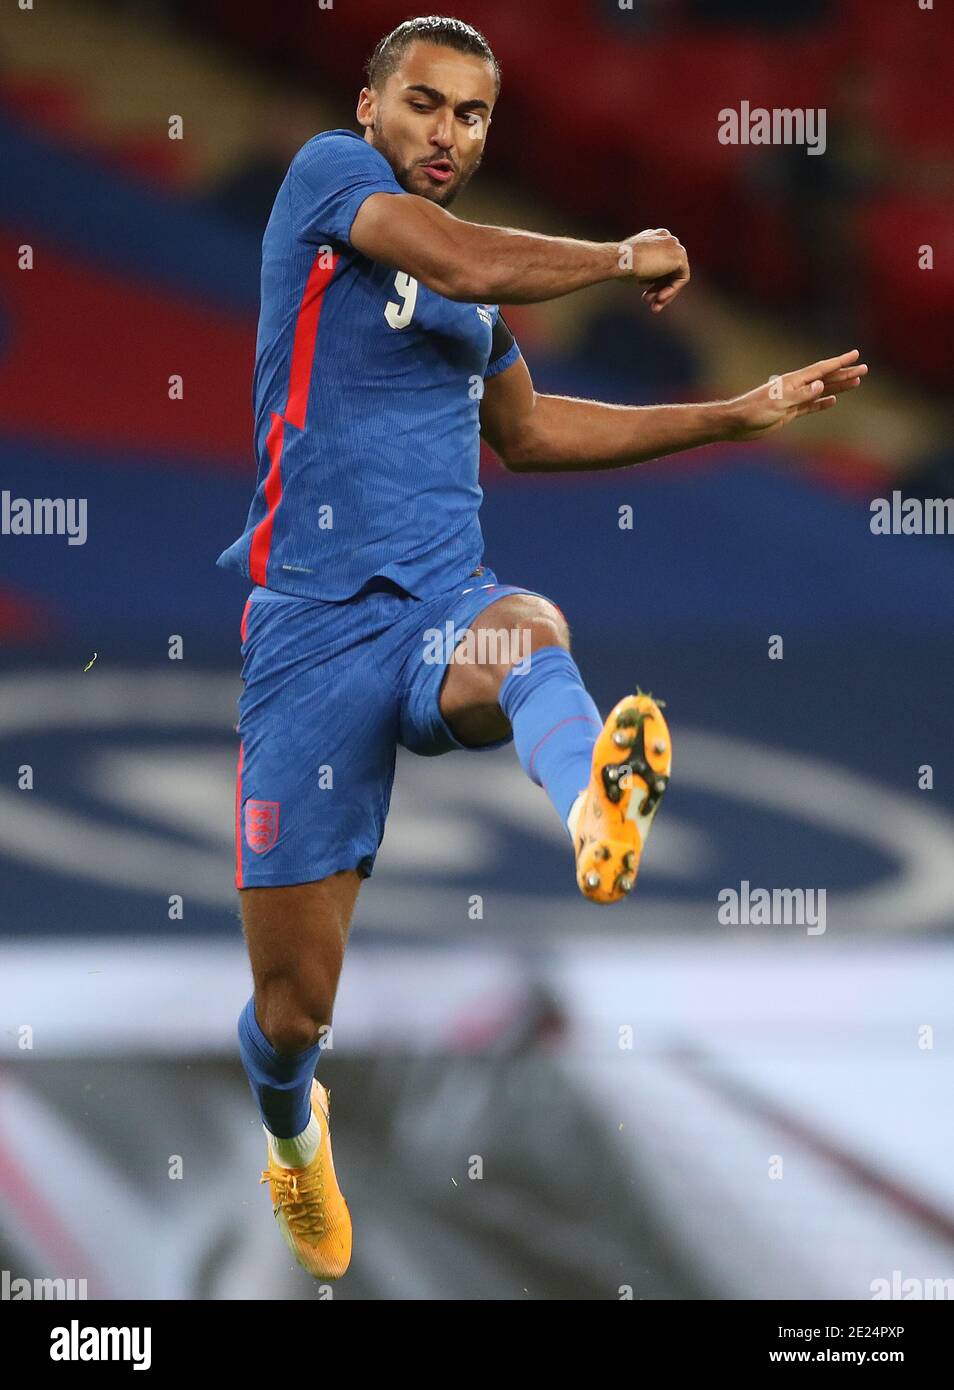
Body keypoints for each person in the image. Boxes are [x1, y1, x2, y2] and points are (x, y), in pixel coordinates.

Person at [216, 16, 867, 1281]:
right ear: (369, 109)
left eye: (471, 116)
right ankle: (293, 1131)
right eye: (425, 105)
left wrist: (729, 416)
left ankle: (591, 811)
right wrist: (622, 255)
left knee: (534, 633)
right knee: (297, 1010)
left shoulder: (475, 292)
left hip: (440, 612)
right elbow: (455, 263)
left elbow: (532, 433)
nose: (447, 134)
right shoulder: (327, 184)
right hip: (307, 637)